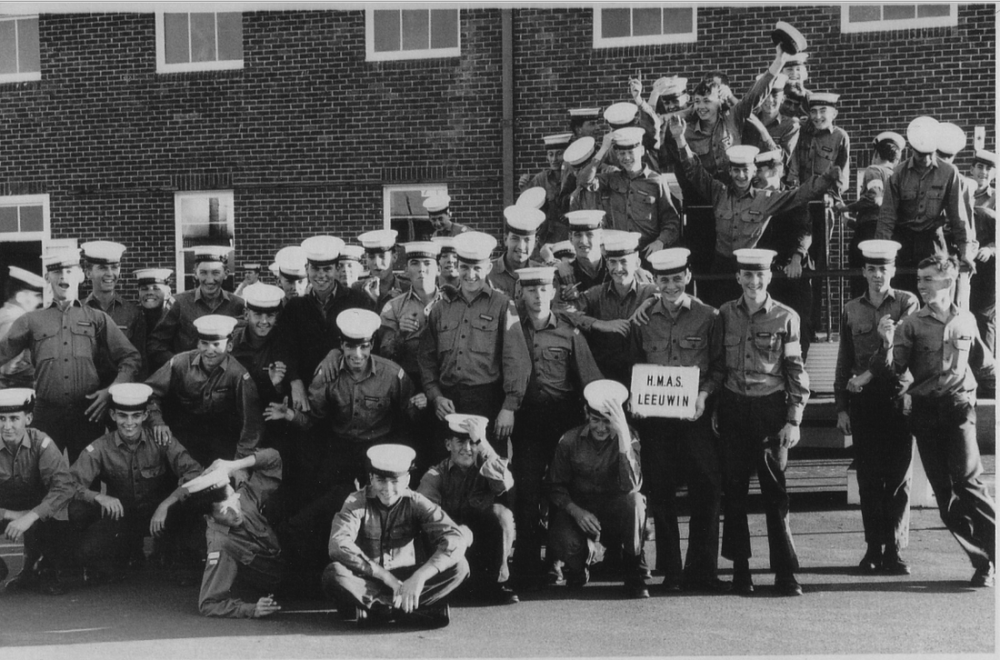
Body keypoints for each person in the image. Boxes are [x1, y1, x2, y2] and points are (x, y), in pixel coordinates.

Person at [870, 252, 996, 588]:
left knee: (970, 484)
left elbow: (985, 364)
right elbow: (896, 370)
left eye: (927, 279)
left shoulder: (967, 320)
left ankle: (994, 553)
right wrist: (885, 344)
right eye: (919, 279)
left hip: (958, 409)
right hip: (926, 414)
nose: (920, 286)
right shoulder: (911, 324)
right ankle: (982, 561)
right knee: (945, 498)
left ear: (948, 280)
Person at [664, 116, 843, 308]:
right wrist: (680, 138)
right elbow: (694, 170)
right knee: (718, 316)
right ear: (730, 172)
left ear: (753, 172)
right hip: (721, 268)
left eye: (745, 171)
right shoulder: (718, 192)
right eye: (736, 171)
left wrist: (826, 178)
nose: (741, 176)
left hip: (748, 270)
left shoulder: (766, 199)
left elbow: (800, 195)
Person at [630, 248, 727, 592]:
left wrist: (703, 396)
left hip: (695, 418)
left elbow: (718, 367)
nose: (670, 286)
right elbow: (637, 365)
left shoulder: (709, 316)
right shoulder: (642, 320)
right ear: (654, 281)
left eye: (676, 278)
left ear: (687, 277)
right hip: (657, 421)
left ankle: (702, 570)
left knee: (708, 489)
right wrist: (639, 398)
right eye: (663, 279)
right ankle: (671, 572)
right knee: (662, 494)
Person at [717, 248, 809, 597]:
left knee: (776, 494)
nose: (754, 282)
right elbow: (716, 364)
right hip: (734, 409)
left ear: (769, 277)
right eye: (748, 276)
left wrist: (794, 419)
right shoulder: (724, 314)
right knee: (735, 492)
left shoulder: (786, 317)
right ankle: (741, 570)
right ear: (738, 277)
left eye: (761, 276)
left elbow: (796, 370)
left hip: (771, 410)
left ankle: (785, 572)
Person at [0, 248, 142, 462]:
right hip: (45, 415)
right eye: (56, 271)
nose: (63, 276)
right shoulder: (31, 320)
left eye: (69, 270)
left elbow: (131, 358)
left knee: (87, 480)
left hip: (86, 415)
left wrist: (110, 392)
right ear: (47, 277)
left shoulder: (97, 318)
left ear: (81, 275)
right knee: (41, 478)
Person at [511, 265, 602, 586]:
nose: (537, 296)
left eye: (543, 289)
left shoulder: (569, 332)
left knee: (561, 490)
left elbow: (591, 379)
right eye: (530, 290)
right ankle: (525, 562)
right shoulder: (511, 329)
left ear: (553, 292)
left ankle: (557, 561)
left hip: (564, 419)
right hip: (526, 420)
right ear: (521, 293)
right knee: (526, 491)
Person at [834, 240, 919, 575]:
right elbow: (844, 360)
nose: (877, 274)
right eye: (871, 268)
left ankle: (895, 551)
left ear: (893, 270)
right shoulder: (851, 308)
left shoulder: (907, 303)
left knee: (898, 478)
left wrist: (869, 372)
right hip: (863, 403)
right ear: (864, 271)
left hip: (898, 398)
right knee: (869, 478)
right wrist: (841, 405)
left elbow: (900, 351)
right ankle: (873, 548)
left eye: (883, 268)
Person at [69, 383, 203, 584]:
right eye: (123, 416)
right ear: (113, 416)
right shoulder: (99, 448)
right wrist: (98, 496)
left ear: (145, 416)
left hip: (160, 515)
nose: (129, 422)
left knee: (195, 502)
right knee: (85, 544)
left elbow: (195, 472)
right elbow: (67, 483)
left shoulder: (161, 440)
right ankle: (125, 553)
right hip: (123, 517)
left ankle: (176, 553)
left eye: (135, 416)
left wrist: (167, 503)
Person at [324, 444, 469, 628]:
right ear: (371, 478)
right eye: (380, 480)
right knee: (334, 573)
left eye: (395, 481)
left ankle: (379, 610)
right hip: (369, 578)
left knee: (461, 566)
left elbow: (454, 537)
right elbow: (338, 544)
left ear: (407, 479)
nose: (387, 488)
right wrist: (385, 576)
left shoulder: (417, 502)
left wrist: (420, 577)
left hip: (407, 580)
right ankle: (409, 612)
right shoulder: (356, 501)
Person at [418, 231, 531, 458]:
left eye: (477, 268)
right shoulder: (440, 308)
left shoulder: (501, 305)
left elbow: (516, 360)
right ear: (456, 267)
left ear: (488, 268)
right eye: (465, 268)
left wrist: (509, 407)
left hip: (486, 401)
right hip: (447, 403)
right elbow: (426, 358)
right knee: (446, 467)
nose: (470, 275)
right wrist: (435, 395)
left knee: (487, 468)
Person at [547, 379, 648, 598]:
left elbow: (632, 486)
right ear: (586, 413)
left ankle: (632, 570)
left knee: (636, 502)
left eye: (607, 421)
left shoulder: (629, 436)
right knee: (564, 539)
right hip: (581, 513)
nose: (601, 428)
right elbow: (556, 486)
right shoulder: (569, 440)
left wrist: (622, 437)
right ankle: (579, 566)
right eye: (595, 420)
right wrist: (576, 511)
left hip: (615, 512)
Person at [418, 414, 516, 605]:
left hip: (482, 548)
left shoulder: (487, 468)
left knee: (502, 514)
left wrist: (483, 444)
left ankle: (497, 583)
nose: (468, 449)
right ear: (448, 445)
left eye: (473, 443)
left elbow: (505, 482)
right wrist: (458, 534)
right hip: (450, 546)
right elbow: (424, 516)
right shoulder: (434, 476)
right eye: (460, 442)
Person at [875, 116, 976, 296]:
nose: (926, 158)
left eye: (931, 153)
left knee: (936, 298)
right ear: (912, 150)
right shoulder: (898, 174)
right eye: (921, 154)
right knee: (902, 297)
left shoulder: (949, 172)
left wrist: (965, 252)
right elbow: (887, 218)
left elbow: (958, 217)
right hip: (903, 244)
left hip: (932, 242)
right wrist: (883, 256)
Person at [146, 314, 262, 467]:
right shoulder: (180, 363)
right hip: (183, 431)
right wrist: (157, 422)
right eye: (204, 343)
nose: (209, 350)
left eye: (216, 344)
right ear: (198, 344)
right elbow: (149, 392)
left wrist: (240, 462)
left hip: (220, 436)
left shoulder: (238, 374)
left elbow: (251, 421)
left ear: (229, 346)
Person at [184, 448, 285, 618]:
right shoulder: (220, 544)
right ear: (209, 517)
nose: (235, 511)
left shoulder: (242, 497)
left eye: (234, 500)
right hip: (285, 581)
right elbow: (208, 604)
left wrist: (234, 465)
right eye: (225, 510)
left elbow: (274, 460)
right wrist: (251, 609)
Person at [272, 235, 375, 402]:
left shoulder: (357, 300)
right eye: (315, 269)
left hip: (347, 393)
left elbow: (369, 342)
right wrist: (294, 381)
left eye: (327, 269)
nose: (321, 275)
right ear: (307, 269)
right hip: (306, 393)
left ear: (337, 269)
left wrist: (337, 351)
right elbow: (283, 347)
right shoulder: (295, 307)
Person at [0, 388, 76, 595]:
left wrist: (31, 516)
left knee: (60, 511)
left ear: (29, 418)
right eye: (1, 419)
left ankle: (43, 567)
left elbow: (64, 486)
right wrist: (11, 515)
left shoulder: (42, 443)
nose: (7, 426)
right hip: (5, 509)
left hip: (38, 510)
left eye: (14, 418)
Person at [562, 231, 658, 385]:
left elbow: (673, 296)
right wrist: (599, 324)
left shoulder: (649, 291)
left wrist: (650, 302)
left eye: (624, 261)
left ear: (637, 264)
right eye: (613, 262)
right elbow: (564, 310)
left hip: (643, 378)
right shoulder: (597, 293)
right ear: (607, 264)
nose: (618, 268)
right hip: (605, 376)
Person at [379, 241, 445, 464]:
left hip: (443, 386)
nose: (421, 269)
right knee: (407, 453)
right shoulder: (393, 307)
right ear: (407, 269)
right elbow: (384, 355)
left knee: (440, 452)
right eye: (414, 263)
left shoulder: (451, 302)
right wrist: (399, 333)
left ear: (437, 268)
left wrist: (434, 393)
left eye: (427, 263)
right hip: (406, 385)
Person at [578, 127, 680, 261]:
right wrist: (603, 149)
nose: (626, 157)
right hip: (618, 253)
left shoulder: (656, 181)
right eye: (621, 153)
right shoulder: (611, 179)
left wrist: (660, 242)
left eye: (631, 152)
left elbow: (671, 220)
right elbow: (584, 180)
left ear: (642, 151)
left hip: (647, 252)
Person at [147, 245, 246, 372]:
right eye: (203, 273)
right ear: (195, 273)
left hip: (226, 380)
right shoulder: (179, 303)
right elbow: (156, 345)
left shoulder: (238, 304)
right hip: (186, 383)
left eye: (216, 272)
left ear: (226, 274)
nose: (210, 280)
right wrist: (182, 367)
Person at [835, 131, 905, 298]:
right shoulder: (900, 176)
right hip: (892, 236)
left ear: (876, 154)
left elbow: (875, 197)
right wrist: (850, 222)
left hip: (869, 235)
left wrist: (845, 208)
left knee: (861, 283)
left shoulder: (874, 169)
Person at [81, 241, 148, 381]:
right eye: (103, 268)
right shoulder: (76, 311)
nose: (110, 274)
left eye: (114, 267)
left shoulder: (133, 313)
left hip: (120, 390)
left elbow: (140, 362)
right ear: (88, 273)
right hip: (84, 392)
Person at [487, 205, 546, 299]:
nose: (520, 246)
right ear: (506, 239)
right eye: (515, 239)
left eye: (527, 240)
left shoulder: (542, 273)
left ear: (535, 243)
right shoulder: (487, 272)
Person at [969, 150, 996, 353]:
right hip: (963, 266)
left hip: (988, 270)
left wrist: (990, 249)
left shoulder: (996, 199)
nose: (983, 172)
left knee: (984, 318)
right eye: (980, 167)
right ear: (972, 169)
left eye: (989, 169)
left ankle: (988, 375)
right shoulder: (960, 192)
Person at [0, 266, 44, 389]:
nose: (40, 301)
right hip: (10, 389)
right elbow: (8, 368)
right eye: (36, 295)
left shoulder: (6, 313)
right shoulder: (13, 320)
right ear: (20, 297)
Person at [354, 229, 410, 310]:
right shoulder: (358, 289)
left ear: (394, 257)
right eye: (371, 257)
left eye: (382, 256)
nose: (376, 263)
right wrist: (373, 301)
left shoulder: (406, 290)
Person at [134, 268, 175, 347]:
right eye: (144, 289)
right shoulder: (133, 320)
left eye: (156, 288)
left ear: (168, 294)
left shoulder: (175, 320)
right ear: (138, 294)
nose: (150, 293)